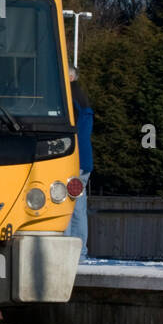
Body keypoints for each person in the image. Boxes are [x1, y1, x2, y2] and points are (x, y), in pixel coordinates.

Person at [66, 66, 93, 255]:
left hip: (72, 160)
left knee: (65, 204)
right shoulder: (83, 99)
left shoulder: (69, 99)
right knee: (78, 205)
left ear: (70, 76)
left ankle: (66, 247)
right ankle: (80, 250)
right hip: (84, 160)